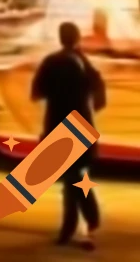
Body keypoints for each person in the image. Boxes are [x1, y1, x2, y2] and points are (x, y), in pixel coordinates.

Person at [31, 21, 106, 250]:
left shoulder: (51, 62)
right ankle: (87, 222)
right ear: (77, 38)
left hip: (58, 125)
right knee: (77, 176)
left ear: (60, 37)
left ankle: (74, 225)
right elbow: (100, 97)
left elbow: (37, 93)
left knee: (70, 178)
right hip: (82, 125)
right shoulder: (84, 63)